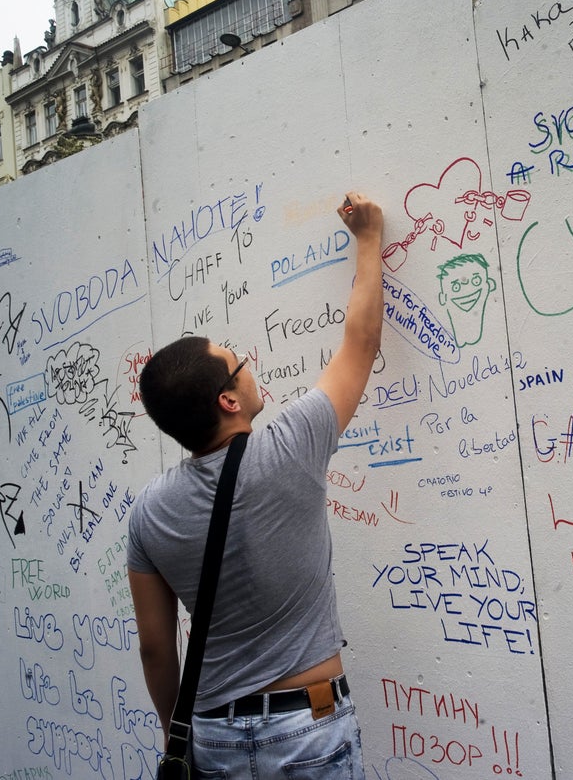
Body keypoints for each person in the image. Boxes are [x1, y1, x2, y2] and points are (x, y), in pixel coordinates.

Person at [127, 191, 384, 779]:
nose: (250, 365)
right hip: (307, 728)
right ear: (229, 398)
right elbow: (361, 344)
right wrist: (368, 239)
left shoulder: (149, 513)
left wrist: (178, 738)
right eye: (240, 363)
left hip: (211, 737)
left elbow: (156, 648)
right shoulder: (291, 446)